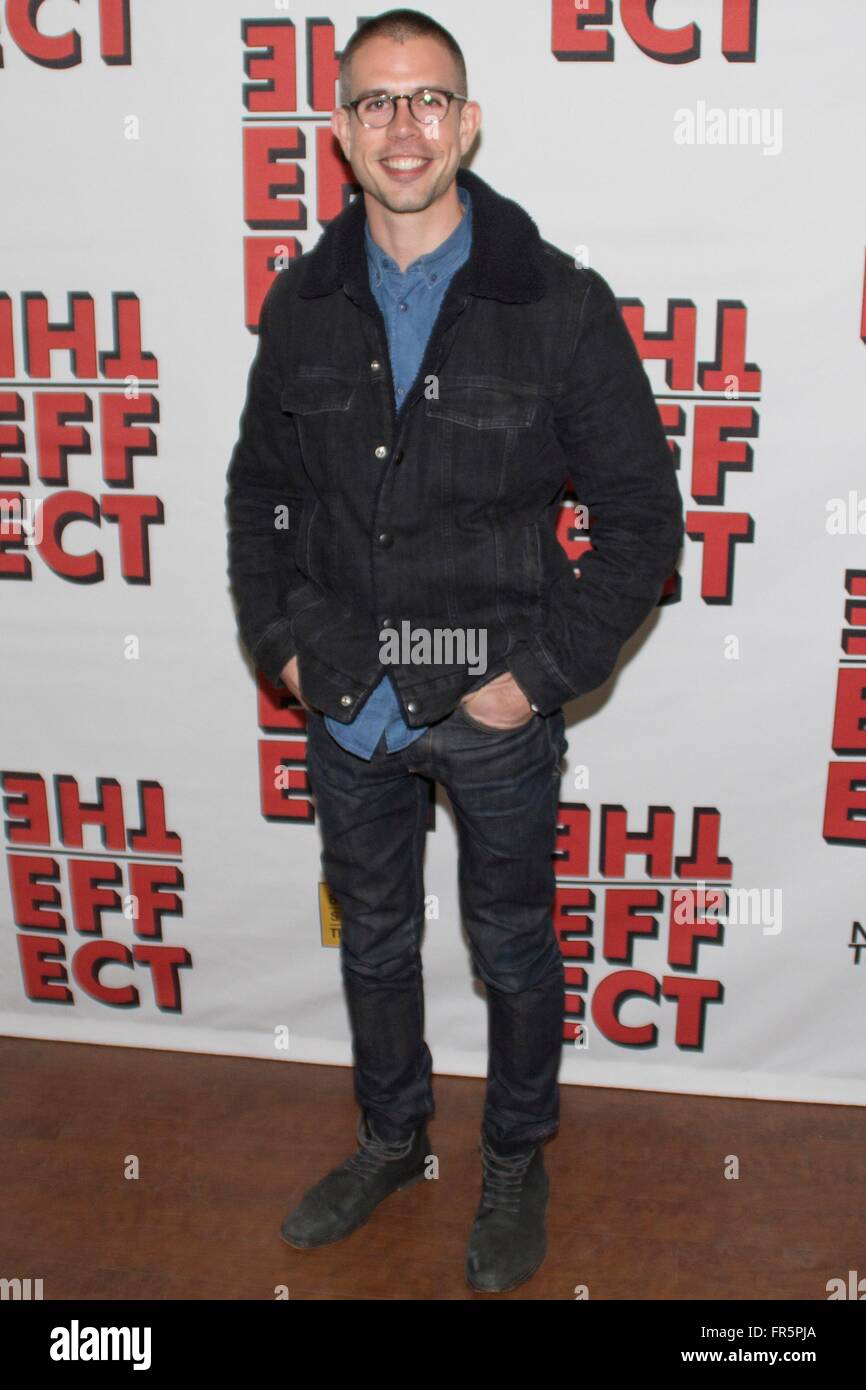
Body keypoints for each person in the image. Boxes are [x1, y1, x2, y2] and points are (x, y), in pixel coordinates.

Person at [225, 7, 684, 1293]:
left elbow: (644, 516)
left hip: (489, 706)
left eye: (428, 99)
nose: (403, 126)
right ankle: (389, 1138)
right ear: (340, 133)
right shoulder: (301, 304)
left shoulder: (556, 303)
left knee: (511, 946)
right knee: (370, 937)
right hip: (348, 699)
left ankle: (515, 1157)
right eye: (375, 103)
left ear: (467, 122)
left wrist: (534, 678)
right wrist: (285, 649)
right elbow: (262, 494)